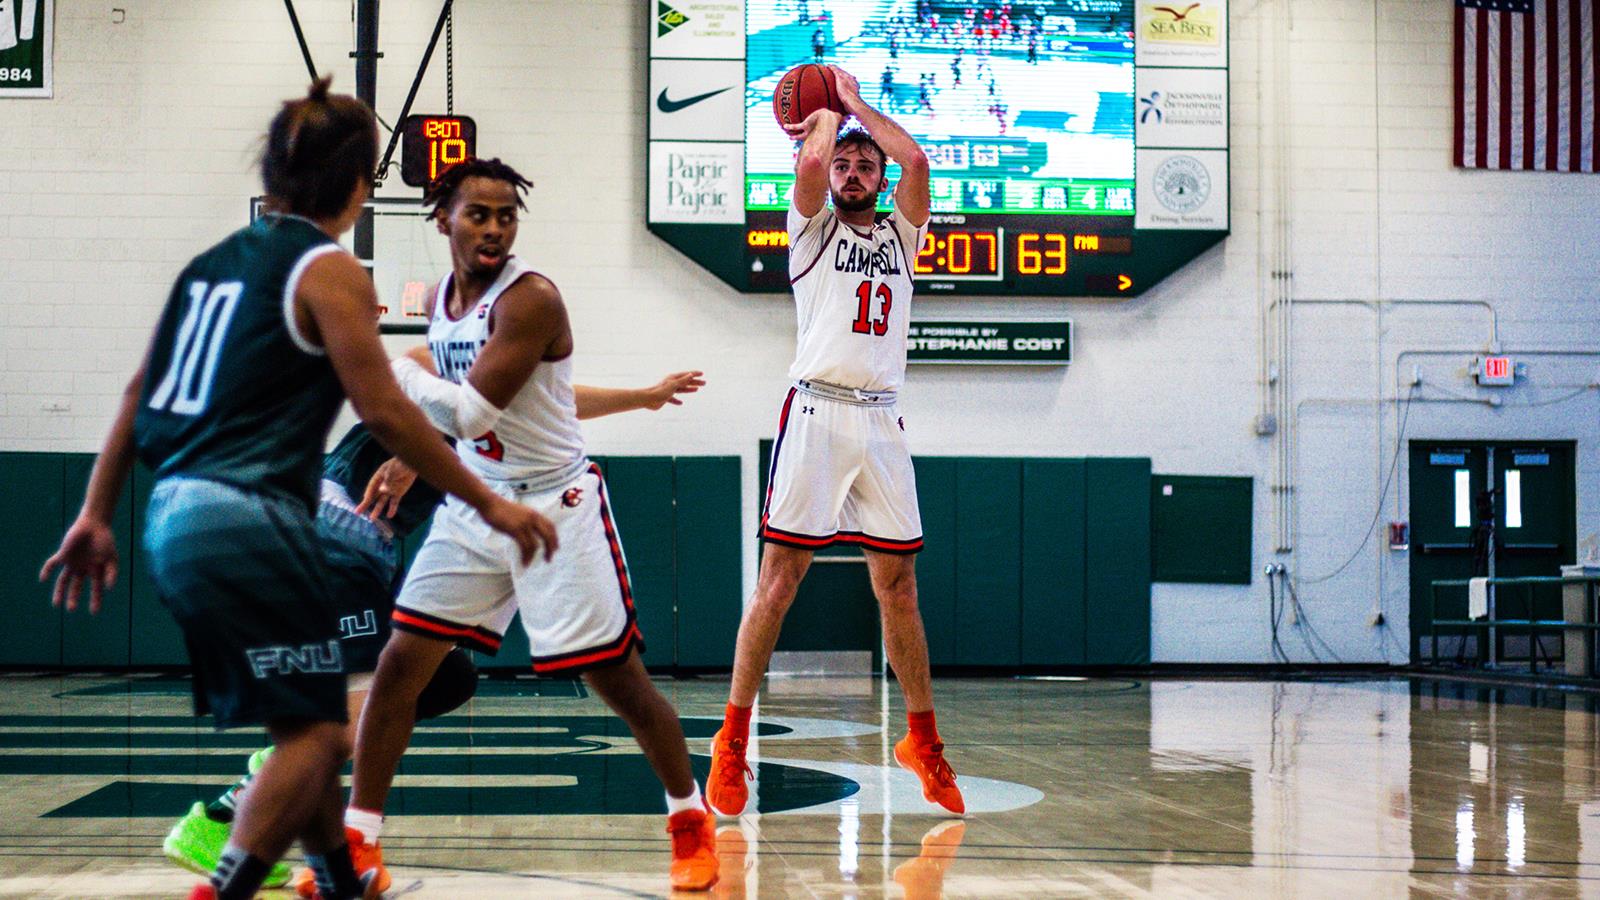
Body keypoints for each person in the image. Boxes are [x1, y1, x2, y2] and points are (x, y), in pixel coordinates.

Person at [38, 80, 556, 900]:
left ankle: (339, 881)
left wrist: (95, 513)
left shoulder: (209, 265)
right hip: (253, 518)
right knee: (318, 737)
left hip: (172, 517)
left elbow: (140, 392)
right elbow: (384, 408)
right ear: (356, 183)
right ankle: (226, 885)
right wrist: (488, 499)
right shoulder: (328, 267)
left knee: (305, 730)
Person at [164, 367, 702, 891]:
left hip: (357, 549)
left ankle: (285, 783)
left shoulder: (500, 385)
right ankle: (229, 816)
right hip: (332, 532)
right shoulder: (441, 359)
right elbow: (403, 392)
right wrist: (408, 453)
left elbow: (553, 399)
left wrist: (643, 396)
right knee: (353, 716)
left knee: (445, 677)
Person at [341, 157, 722, 892]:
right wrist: (413, 456)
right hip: (479, 500)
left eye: (505, 214)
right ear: (442, 218)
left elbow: (472, 411)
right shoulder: (446, 301)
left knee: (617, 682)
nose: (493, 227)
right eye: (477, 213)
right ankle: (358, 844)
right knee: (397, 667)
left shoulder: (532, 298)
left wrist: (383, 369)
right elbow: (524, 402)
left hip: (557, 505)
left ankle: (688, 817)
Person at [705, 67, 963, 819]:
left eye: (864, 165)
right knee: (779, 583)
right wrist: (820, 129)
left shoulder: (903, 234)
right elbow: (812, 167)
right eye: (846, 164)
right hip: (816, 412)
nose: (852, 171)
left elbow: (917, 163)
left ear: (878, 179)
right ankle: (731, 741)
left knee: (899, 589)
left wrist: (852, 105)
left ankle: (923, 741)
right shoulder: (811, 228)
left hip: (882, 419)